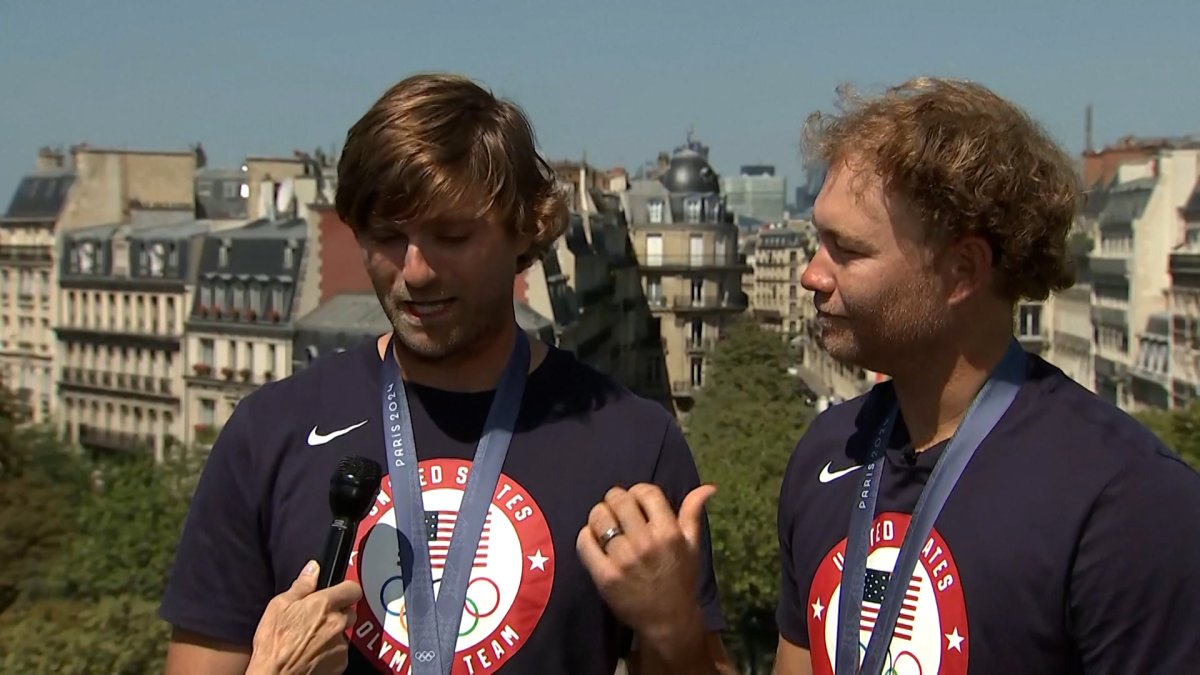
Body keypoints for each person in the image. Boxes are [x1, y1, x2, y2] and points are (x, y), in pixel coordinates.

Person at [158, 73, 730, 674]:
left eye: (452, 236)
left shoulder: (633, 444)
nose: (416, 271)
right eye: (387, 237)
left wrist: (674, 629)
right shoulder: (268, 432)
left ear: (523, 230)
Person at [771, 77, 1200, 674]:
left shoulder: (1128, 504)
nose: (811, 275)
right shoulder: (827, 450)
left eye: (846, 250)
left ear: (962, 270)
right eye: (818, 239)